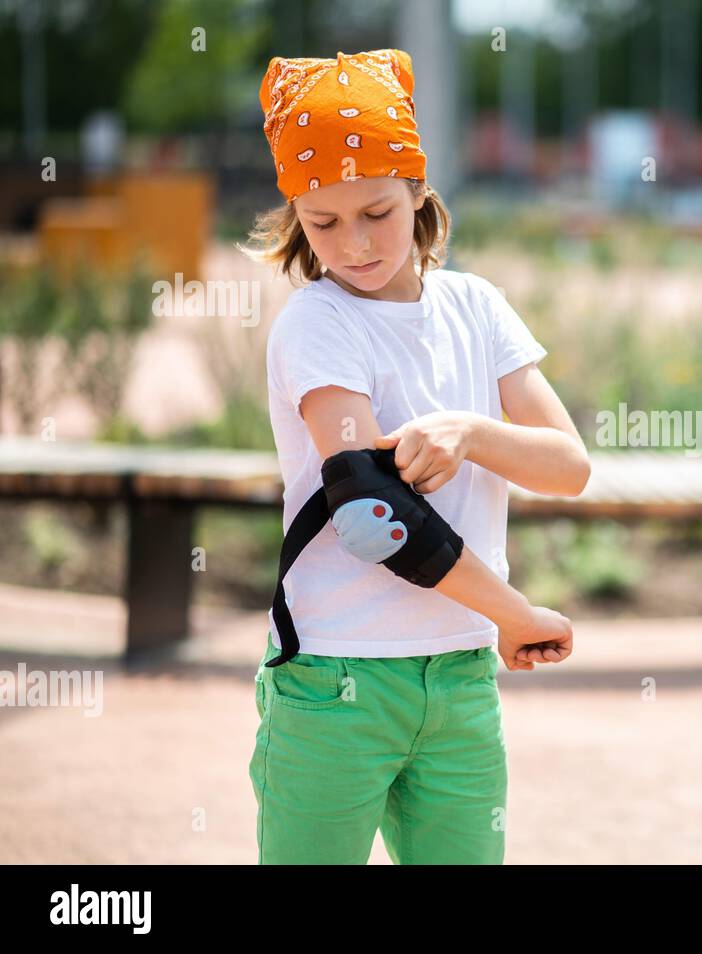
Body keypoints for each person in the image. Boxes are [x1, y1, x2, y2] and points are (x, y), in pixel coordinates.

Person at [240, 48, 586, 864]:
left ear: (419, 192)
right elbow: (369, 514)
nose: (354, 244)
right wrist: (514, 613)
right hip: (334, 680)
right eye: (323, 223)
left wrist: (472, 432)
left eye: (378, 213)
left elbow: (568, 466)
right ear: (297, 214)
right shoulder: (316, 322)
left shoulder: (478, 306)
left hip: (461, 677)